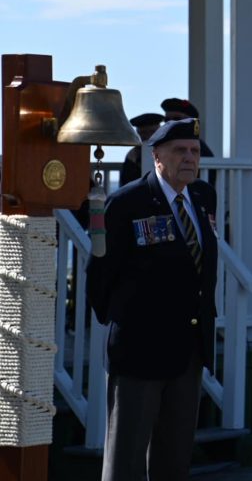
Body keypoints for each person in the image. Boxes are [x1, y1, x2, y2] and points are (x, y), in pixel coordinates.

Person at [86, 118, 218, 481]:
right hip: (139, 350)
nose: (190, 158)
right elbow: (100, 275)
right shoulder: (127, 202)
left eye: (194, 151)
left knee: (173, 460)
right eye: (180, 151)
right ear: (157, 155)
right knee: (126, 461)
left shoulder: (204, 197)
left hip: (189, 349)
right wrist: (125, 322)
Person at [119, 112, 164, 186]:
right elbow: (126, 181)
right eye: (143, 133)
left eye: (152, 132)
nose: (148, 136)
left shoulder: (170, 150)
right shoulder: (133, 155)